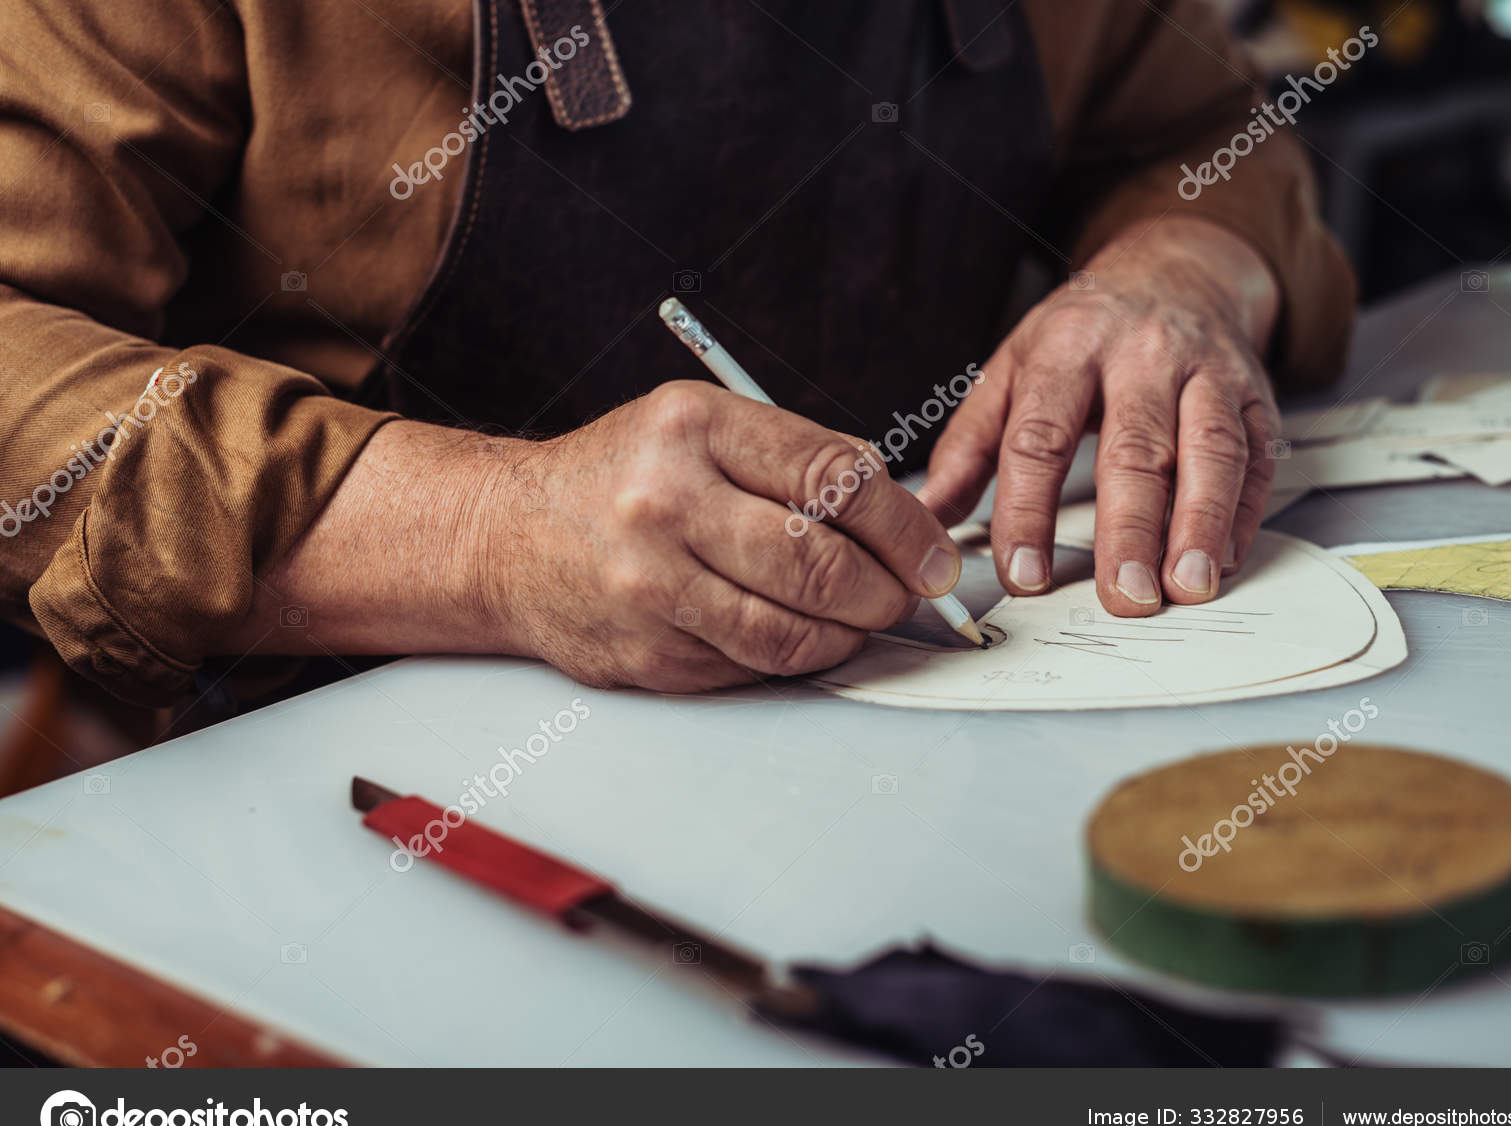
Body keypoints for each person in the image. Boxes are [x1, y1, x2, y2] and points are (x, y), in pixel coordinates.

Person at [0, 0, 1354, 709]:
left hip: (903, 702)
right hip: (374, 796)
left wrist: (1178, 277)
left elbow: (1206, 134)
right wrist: (487, 536)